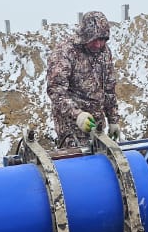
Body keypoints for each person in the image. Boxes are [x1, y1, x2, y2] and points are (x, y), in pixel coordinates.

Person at [47, 10, 121, 147]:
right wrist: (78, 115)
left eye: (102, 40)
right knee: (79, 167)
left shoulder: (104, 52)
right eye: (95, 39)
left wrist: (113, 120)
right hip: (72, 130)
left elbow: (109, 88)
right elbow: (56, 91)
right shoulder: (65, 52)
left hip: (97, 127)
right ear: (85, 36)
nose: (98, 45)